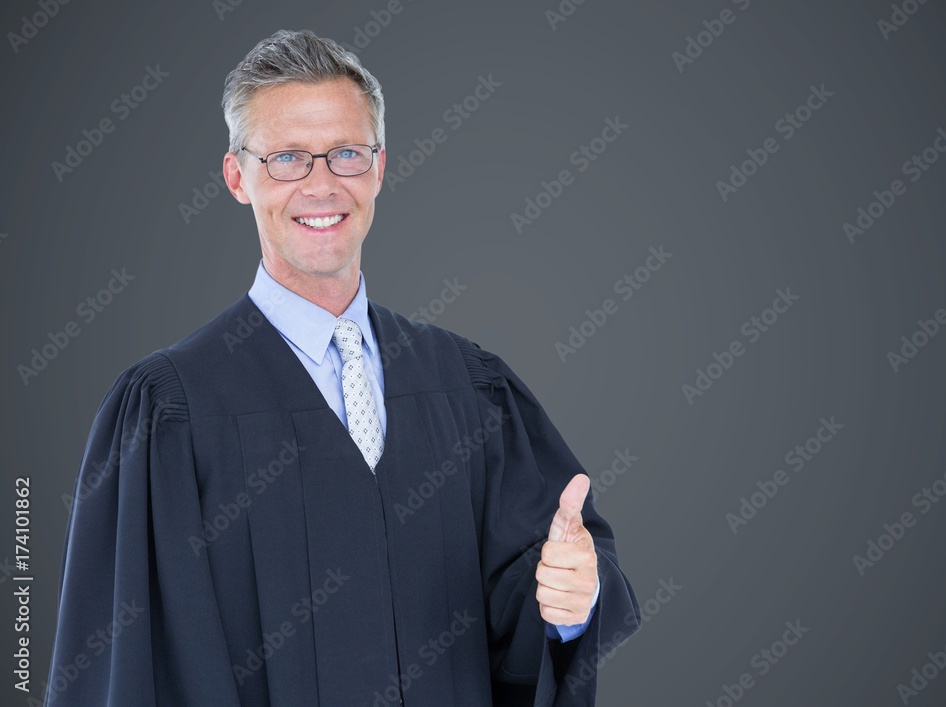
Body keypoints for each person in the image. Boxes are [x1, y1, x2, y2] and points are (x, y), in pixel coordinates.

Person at [44, 29, 639, 706]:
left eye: (346, 154)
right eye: (289, 157)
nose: (321, 184)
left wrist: (570, 600)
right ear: (239, 177)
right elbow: (131, 670)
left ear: (379, 168)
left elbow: (530, 607)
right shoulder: (170, 410)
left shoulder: (469, 386)